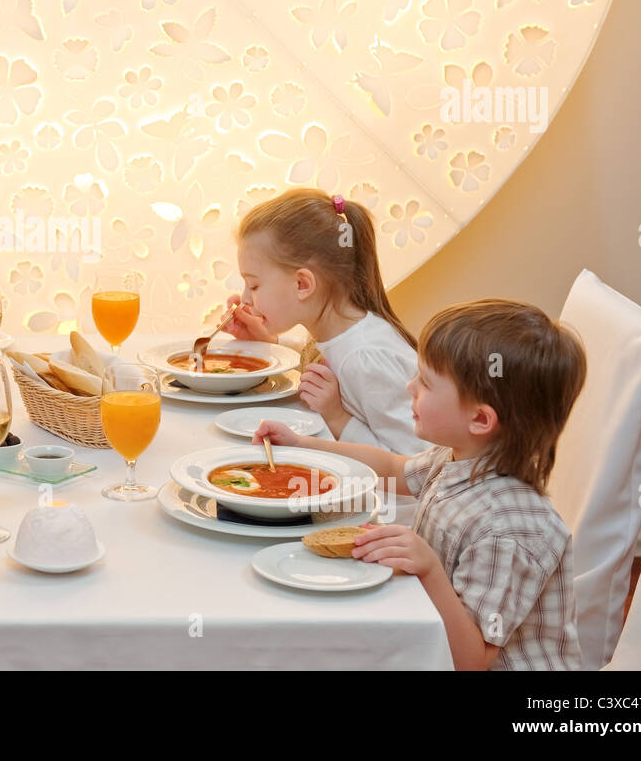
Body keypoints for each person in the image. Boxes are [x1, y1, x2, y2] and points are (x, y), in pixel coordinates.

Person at [255, 299, 587, 670]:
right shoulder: (459, 457)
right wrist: (304, 446)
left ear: (479, 418)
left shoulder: (509, 532)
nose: (410, 386)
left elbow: (470, 659)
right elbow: (392, 467)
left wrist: (428, 568)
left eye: (426, 383)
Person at [227, 188, 427, 458]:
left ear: (302, 284)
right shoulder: (336, 331)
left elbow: (419, 466)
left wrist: (337, 417)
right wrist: (269, 342)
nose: (245, 298)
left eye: (254, 284)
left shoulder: (365, 359)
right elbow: (321, 360)